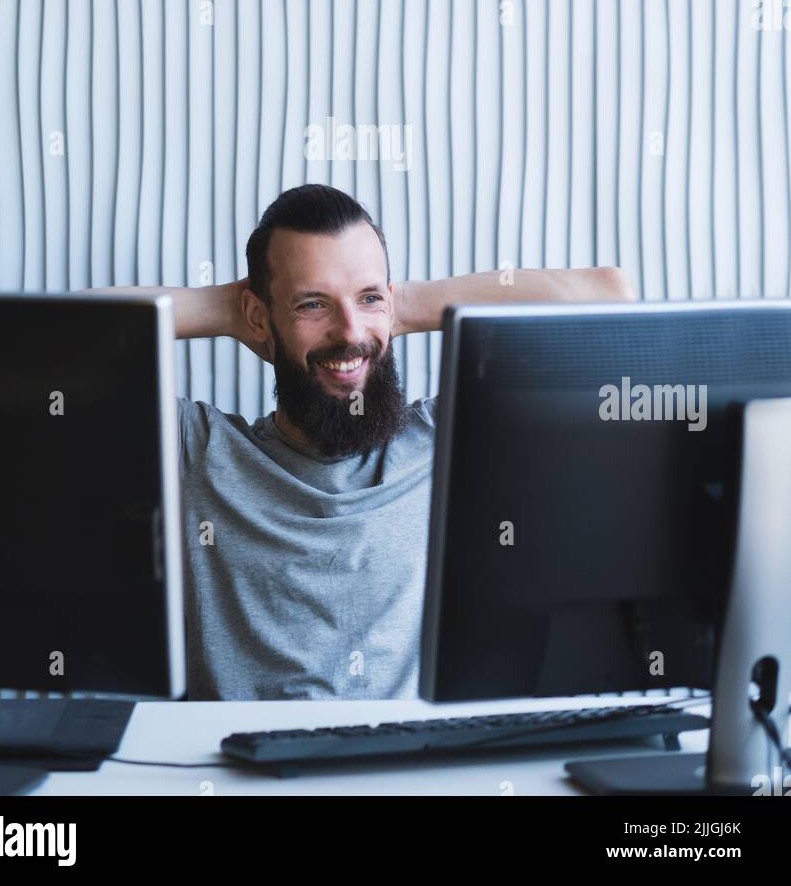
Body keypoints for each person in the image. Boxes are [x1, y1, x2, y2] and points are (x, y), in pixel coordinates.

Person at [88, 183, 635, 699]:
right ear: (259, 315)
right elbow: (52, 335)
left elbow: (608, 298)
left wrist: (399, 306)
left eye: (368, 298)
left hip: (398, 772)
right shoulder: (198, 452)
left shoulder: (442, 444)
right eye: (312, 304)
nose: (349, 332)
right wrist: (239, 313)